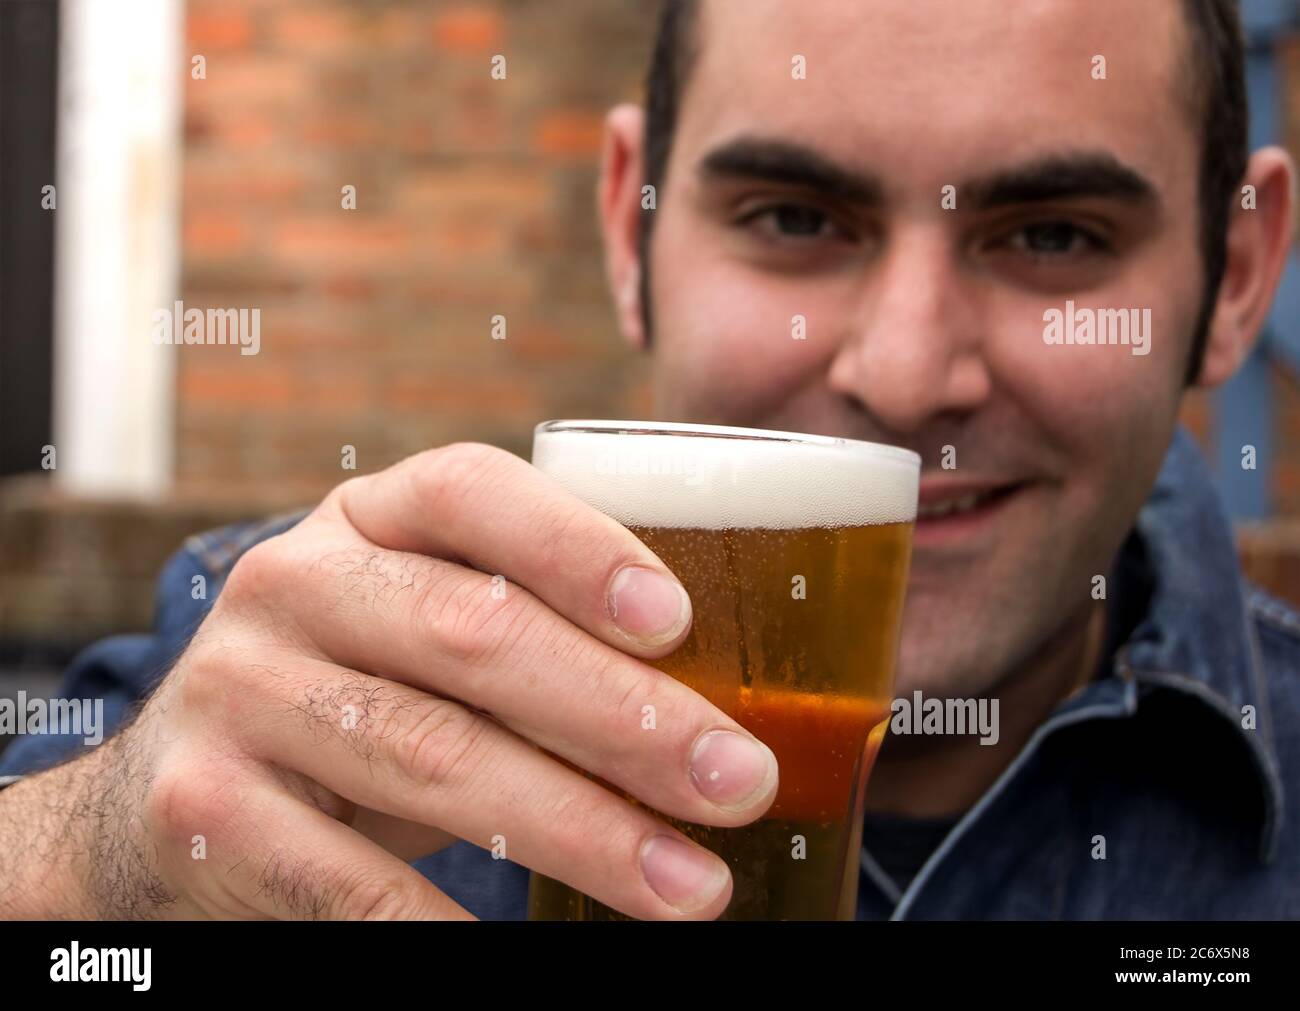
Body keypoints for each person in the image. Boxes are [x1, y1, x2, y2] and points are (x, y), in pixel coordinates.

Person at [2, 0, 1298, 920]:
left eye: (1055, 237)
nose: (904, 375)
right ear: (632, 229)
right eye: (796, 219)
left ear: (1236, 276)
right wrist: (99, 857)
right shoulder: (294, 683)